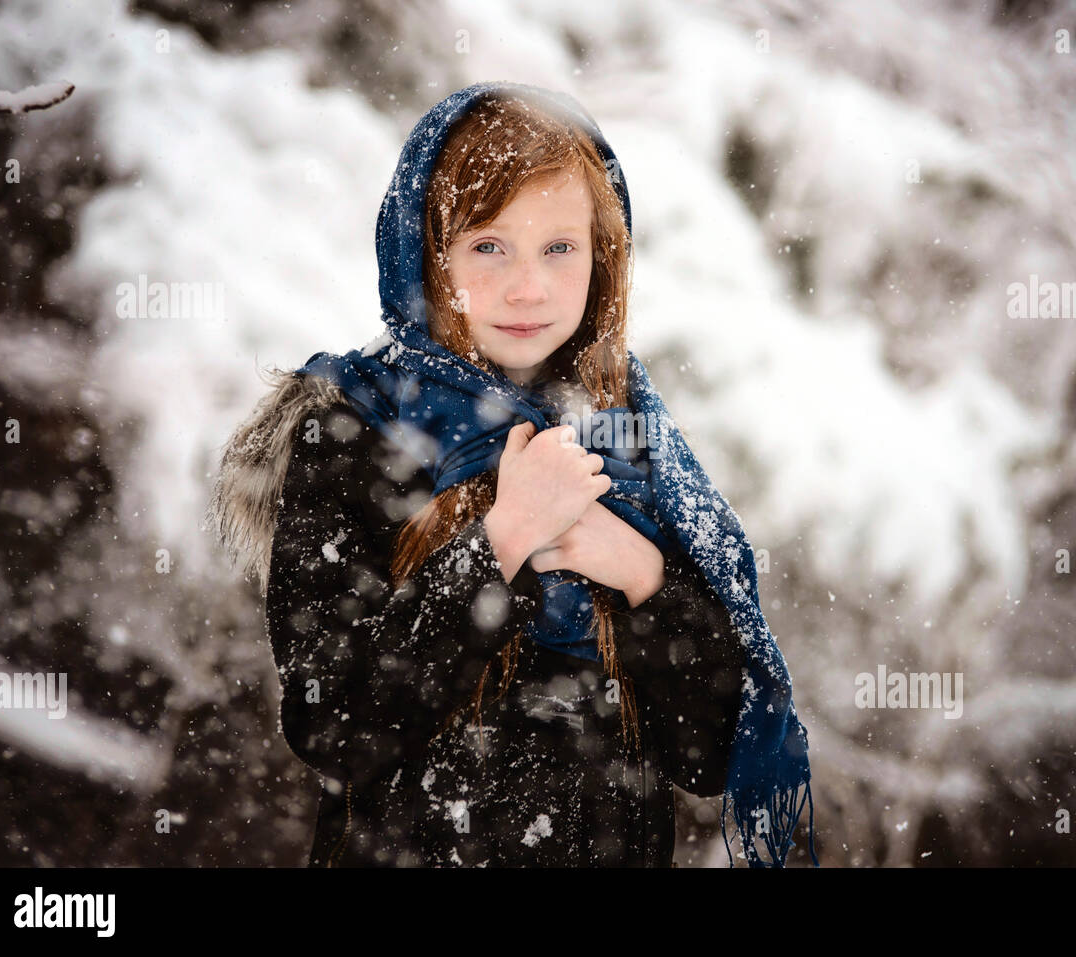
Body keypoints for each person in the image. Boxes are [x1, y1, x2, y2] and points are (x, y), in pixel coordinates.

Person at [206, 81, 816, 867]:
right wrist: (504, 539)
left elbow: (706, 749)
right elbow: (335, 724)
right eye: (489, 245)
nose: (527, 286)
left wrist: (636, 568)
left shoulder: (631, 441)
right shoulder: (354, 428)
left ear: (605, 257)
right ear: (427, 250)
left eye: (559, 248)